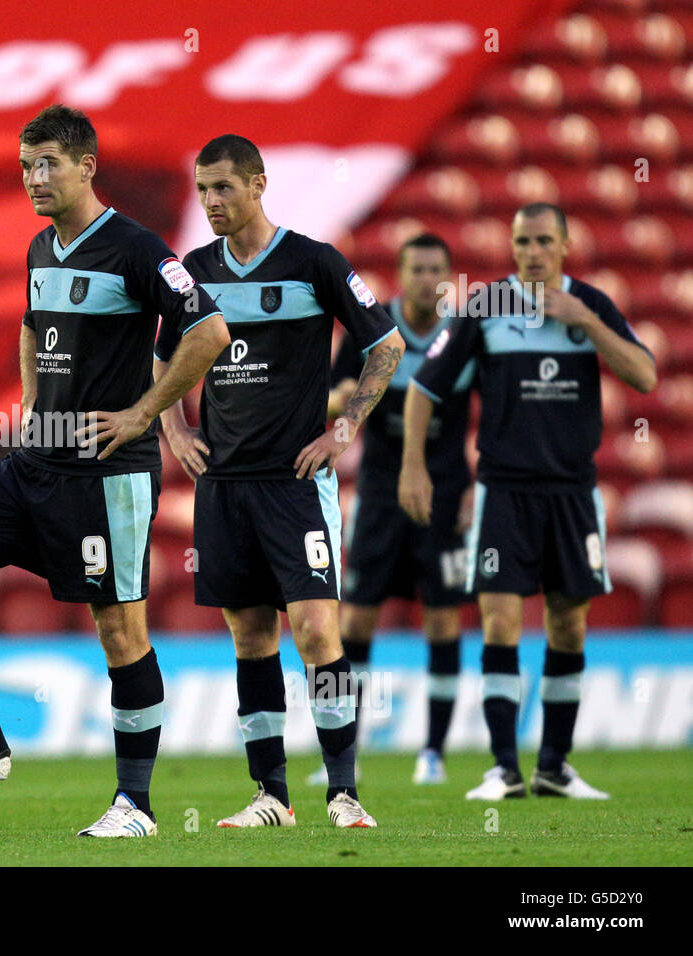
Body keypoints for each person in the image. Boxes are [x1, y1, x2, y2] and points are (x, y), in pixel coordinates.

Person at [0, 105, 230, 837]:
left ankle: (135, 806)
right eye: (24, 168)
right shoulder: (42, 247)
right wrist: (32, 400)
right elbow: (30, 323)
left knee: (119, 632)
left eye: (47, 165)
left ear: (86, 166)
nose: (34, 180)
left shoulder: (137, 249)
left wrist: (144, 414)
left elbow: (209, 331)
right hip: (35, 461)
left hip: (108, 473)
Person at [157, 134, 403, 829]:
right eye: (203, 190)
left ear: (259, 184)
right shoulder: (194, 271)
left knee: (318, 633)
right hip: (225, 484)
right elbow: (163, 359)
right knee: (250, 639)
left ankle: (345, 792)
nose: (211, 202)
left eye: (224, 188)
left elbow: (385, 343)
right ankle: (272, 796)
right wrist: (176, 430)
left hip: (296, 482)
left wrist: (345, 426)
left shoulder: (313, 261)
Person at [400, 202, 656, 801]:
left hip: (573, 493)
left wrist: (586, 324)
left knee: (568, 624)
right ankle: (502, 768)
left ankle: (555, 767)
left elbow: (644, 376)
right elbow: (422, 387)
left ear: (565, 245)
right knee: (500, 619)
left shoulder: (590, 303)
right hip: (503, 493)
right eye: (522, 242)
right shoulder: (485, 306)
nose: (532, 252)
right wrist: (414, 466)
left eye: (544, 240)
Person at [325, 233, 475, 786]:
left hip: (445, 492)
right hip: (381, 491)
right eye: (417, 268)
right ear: (401, 271)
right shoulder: (375, 325)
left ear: (449, 275)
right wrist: (340, 398)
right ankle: (344, 753)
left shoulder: (464, 331)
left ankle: (432, 752)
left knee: (442, 616)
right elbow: (332, 390)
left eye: (437, 268)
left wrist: (472, 486)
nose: (426, 278)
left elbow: (492, 408)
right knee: (355, 617)